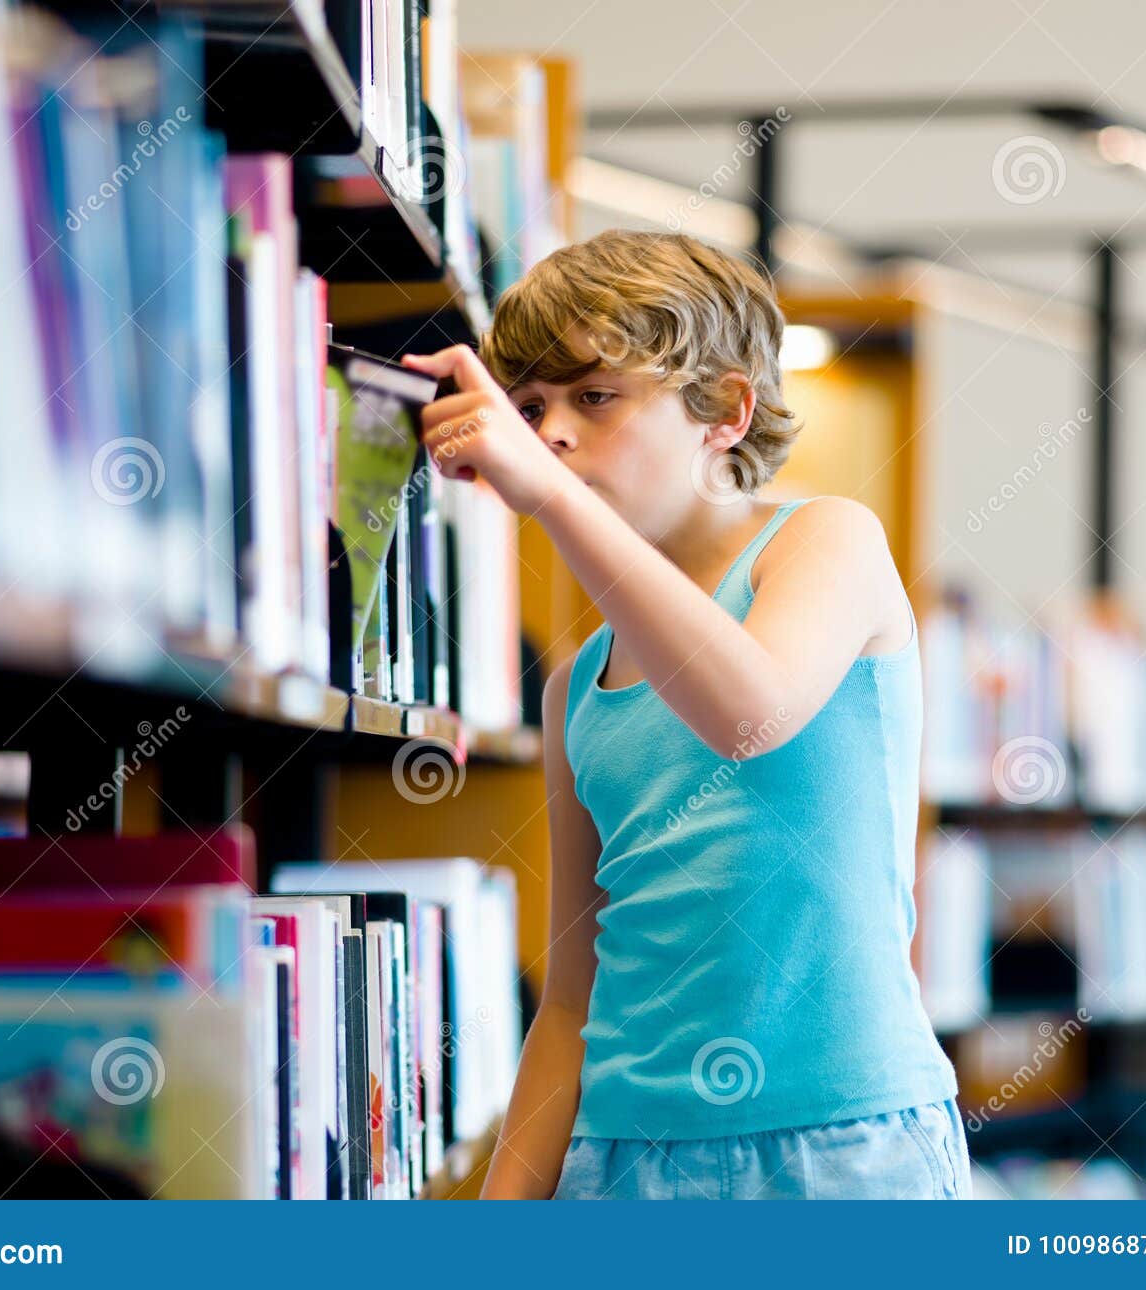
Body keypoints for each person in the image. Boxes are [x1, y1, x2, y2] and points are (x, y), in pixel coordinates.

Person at [401, 228, 969, 1200]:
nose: (550, 435)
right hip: (626, 1159)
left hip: (843, 1147)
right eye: (528, 408)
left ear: (726, 411)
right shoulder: (574, 687)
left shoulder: (826, 541)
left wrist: (550, 498)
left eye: (594, 396)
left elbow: (750, 712)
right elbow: (570, 1002)